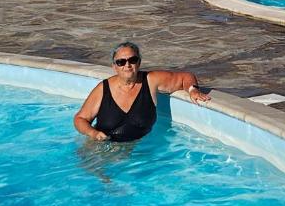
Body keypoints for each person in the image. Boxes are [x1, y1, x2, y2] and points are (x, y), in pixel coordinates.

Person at [73, 41, 209, 142]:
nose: (127, 65)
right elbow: (80, 119)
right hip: (101, 148)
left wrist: (193, 90)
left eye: (132, 60)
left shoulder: (151, 80)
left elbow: (185, 77)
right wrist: (93, 134)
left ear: (139, 62)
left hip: (137, 151)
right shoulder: (103, 89)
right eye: (121, 62)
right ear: (114, 66)